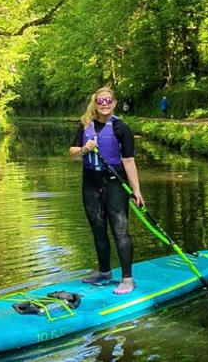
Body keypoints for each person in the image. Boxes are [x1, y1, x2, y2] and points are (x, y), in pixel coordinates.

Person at [69, 86, 143, 295]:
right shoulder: (85, 126)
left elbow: (128, 161)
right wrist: (85, 149)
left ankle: (127, 279)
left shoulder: (122, 128)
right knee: (98, 228)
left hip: (114, 182)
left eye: (108, 100)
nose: (104, 104)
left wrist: (136, 190)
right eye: (100, 101)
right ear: (95, 103)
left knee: (119, 230)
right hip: (90, 183)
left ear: (114, 103)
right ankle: (104, 272)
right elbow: (72, 152)